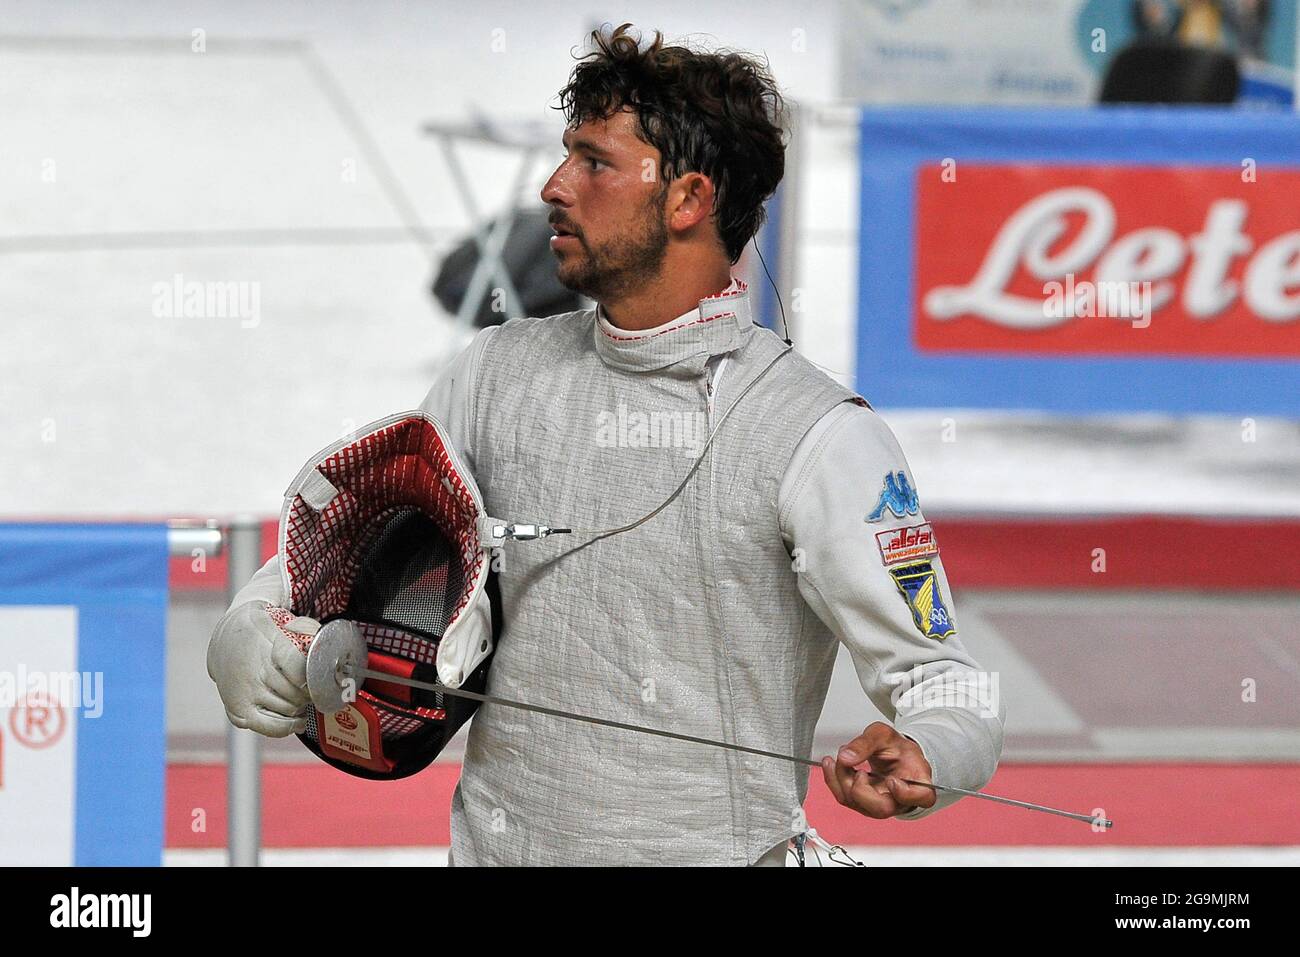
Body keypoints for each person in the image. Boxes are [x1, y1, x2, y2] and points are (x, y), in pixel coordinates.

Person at [208, 22, 1005, 866]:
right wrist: (257, 621)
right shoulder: (494, 375)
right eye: (565, 156)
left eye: (594, 162)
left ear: (689, 199)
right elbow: (363, 534)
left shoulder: (814, 433)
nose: (554, 186)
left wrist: (932, 749)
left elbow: (946, 680)